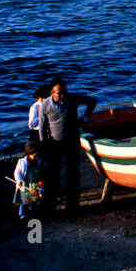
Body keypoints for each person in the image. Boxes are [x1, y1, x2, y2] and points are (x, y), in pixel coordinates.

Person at [38, 79, 97, 215]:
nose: (63, 95)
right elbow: (42, 127)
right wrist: (43, 144)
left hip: (72, 141)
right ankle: (49, 206)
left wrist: (85, 117)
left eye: (65, 92)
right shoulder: (45, 106)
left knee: (73, 174)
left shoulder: (73, 98)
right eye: (60, 93)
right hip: (55, 143)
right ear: (52, 93)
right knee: (53, 174)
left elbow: (92, 100)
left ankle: (72, 207)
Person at [12, 140, 44, 223]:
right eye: (35, 155)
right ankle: (21, 214)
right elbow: (17, 172)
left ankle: (32, 211)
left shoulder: (38, 161)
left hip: (34, 182)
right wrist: (19, 181)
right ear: (29, 153)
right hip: (25, 183)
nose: (37, 157)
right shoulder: (22, 162)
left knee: (34, 198)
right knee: (23, 200)